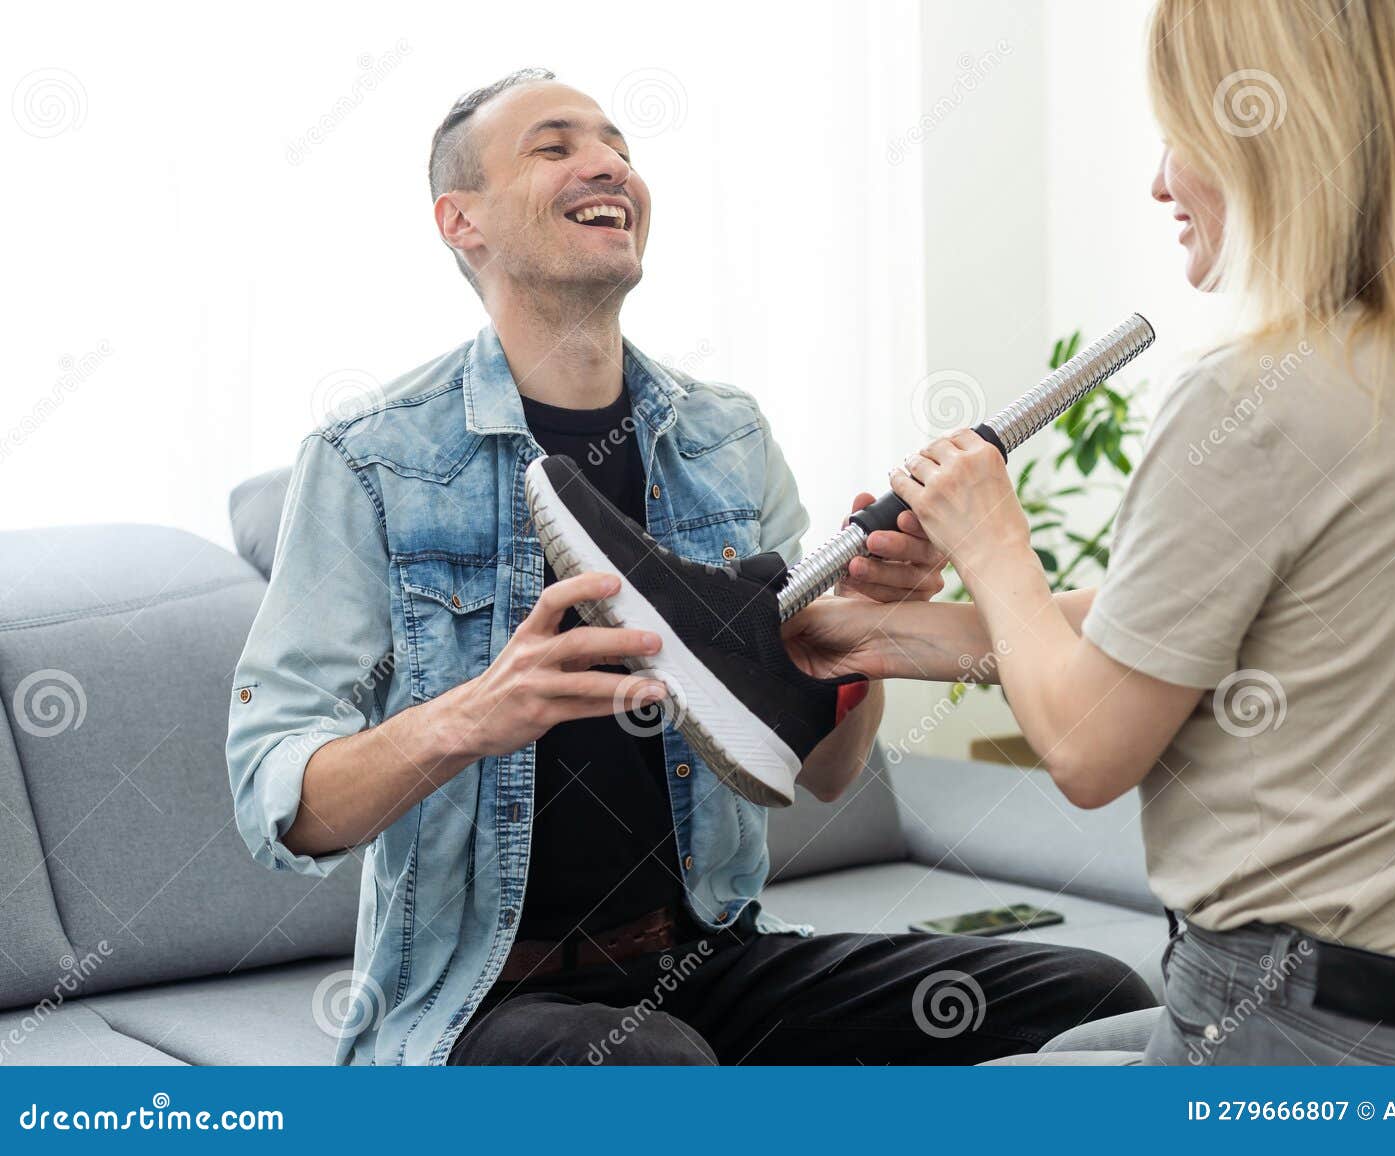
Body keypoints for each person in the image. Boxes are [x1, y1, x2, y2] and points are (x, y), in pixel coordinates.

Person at [225, 68, 1153, 1066]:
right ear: (462, 222)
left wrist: (859, 638)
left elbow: (826, 773)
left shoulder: (724, 435)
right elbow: (279, 799)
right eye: (554, 146)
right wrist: (468, 718)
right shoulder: (371, 459)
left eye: (618, 144)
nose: (608, 163)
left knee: (1091, 996)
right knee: (653, 1066)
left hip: (705, 964)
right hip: (472, 1005)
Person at [785, 0, 1395, 1065]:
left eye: (1177, 136)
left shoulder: (1251, 397)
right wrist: (879, 637)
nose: (1159, 180)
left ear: (1273, 132)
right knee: (1058, 1056)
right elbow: (1159, 635)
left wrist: (991, 536)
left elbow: (1087, 748)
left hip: (1309, 1043)